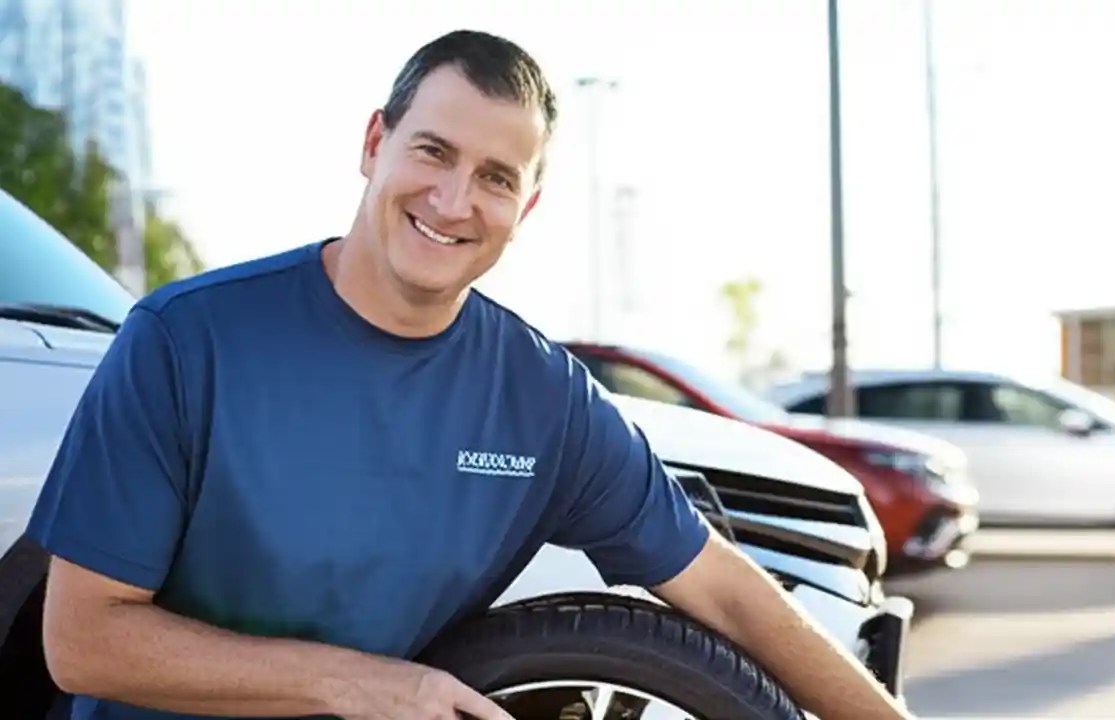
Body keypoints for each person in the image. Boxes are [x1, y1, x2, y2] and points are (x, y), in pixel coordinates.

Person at [27, 29, 913, 720]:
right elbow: (83, 642)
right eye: (433, 153)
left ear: (525, 206)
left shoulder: (543, 399)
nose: (455, 202)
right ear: (375, 143)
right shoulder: (189, 339)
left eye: (495, 177)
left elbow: (726, 592)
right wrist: (358, 685)